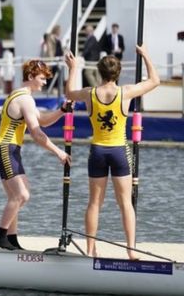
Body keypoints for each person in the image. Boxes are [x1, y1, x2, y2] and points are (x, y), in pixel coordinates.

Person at [64, 45, 159, 259]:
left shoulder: (89, 93)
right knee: (125, 203)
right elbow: (155, 81)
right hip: (119, 152)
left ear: (100, 72)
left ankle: (90, 250)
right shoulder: (126, 92)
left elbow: (68, 93)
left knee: (94, 203)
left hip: (97, 152)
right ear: (118, 73)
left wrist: (73, 68)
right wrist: (145, 54)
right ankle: (131, 250)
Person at [0, 59, 71, 250]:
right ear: (30, 76)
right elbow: (36, 133)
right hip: (5, 148)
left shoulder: (22, 95)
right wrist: (59, 152)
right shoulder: (25, 99)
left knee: (17, 196)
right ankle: (1, 237)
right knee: (21, 195)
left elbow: (42, 120)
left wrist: (62, 111)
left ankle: (12, 240)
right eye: (42, 78)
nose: (45, 82)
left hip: (9, 149)